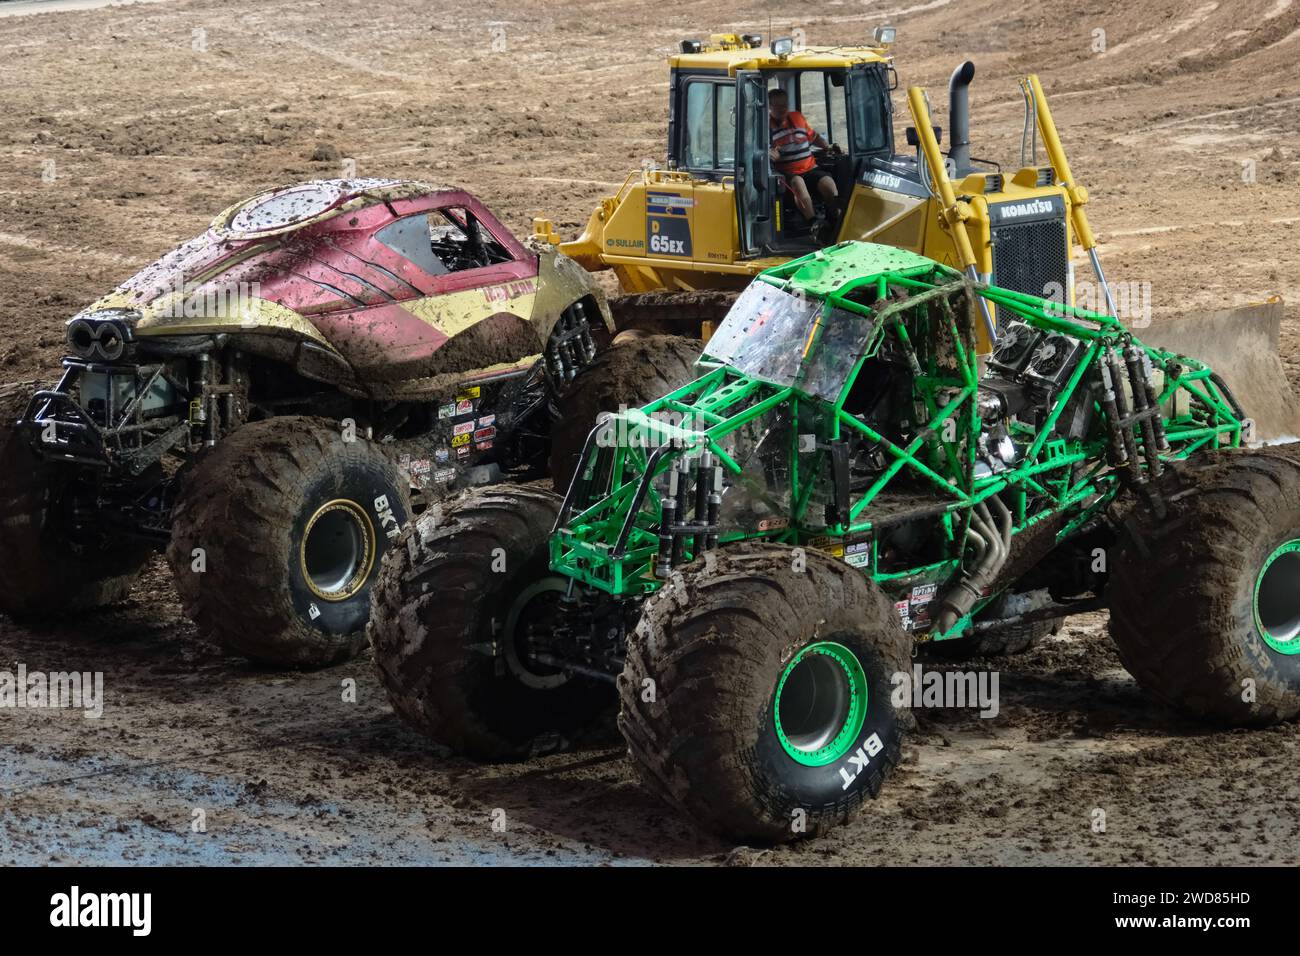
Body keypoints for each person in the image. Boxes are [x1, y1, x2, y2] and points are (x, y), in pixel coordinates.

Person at [768, 88, 840, 230]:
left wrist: (828, 147)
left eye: (785, 105)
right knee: (798, 182)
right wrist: (771, 155)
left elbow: (813, 136)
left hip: (810, 168)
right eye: (778, 106)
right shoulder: (766, 128)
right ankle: (814, 224)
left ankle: (836, 219)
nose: (783, 109)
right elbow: (765, 152)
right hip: (788, 174)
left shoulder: (797, 117)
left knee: (828, 182)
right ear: (770, 107)